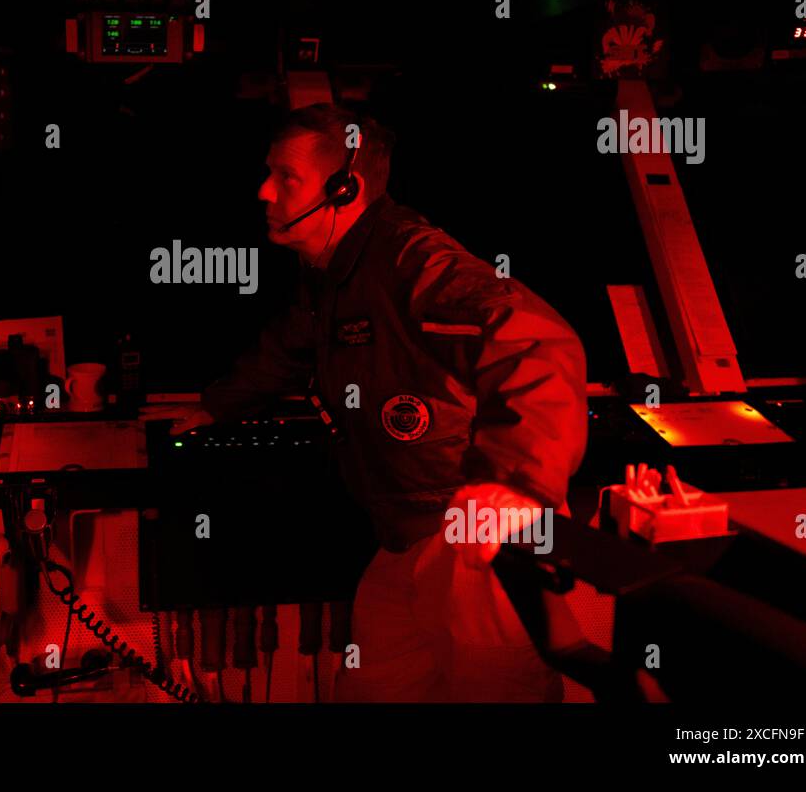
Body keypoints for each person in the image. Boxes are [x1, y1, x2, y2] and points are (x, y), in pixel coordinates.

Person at [146, 103, 588, 701]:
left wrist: (516, 484)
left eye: (285, 178)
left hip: (469, 540)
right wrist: (219, 405)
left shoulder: (410, 259)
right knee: (373, 685)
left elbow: (536, 341)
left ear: (343, 188)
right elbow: (294, 342)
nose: (263, 190)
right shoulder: (333, 272)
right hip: (403, 533)